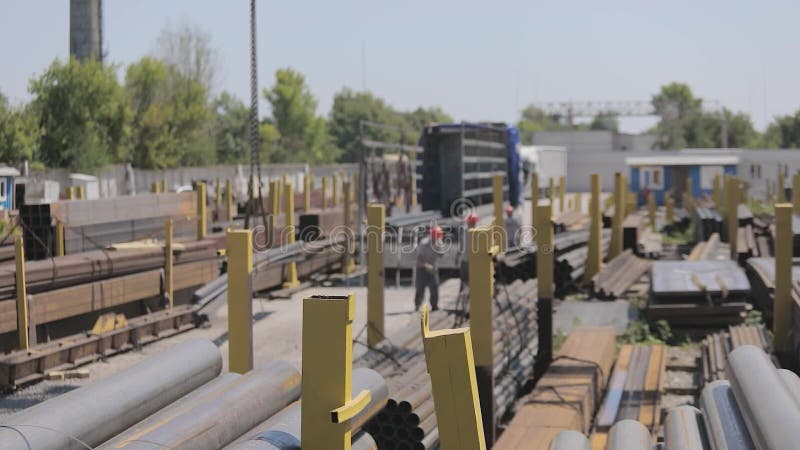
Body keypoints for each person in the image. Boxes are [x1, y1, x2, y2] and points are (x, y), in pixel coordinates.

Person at [414, 226, 444, 311]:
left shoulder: (439, 243)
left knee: (434, 286)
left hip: (432, 267)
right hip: (421, 267)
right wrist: (426, 265)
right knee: (420, 287)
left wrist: (441, 254)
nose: (436, 239)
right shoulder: (424, 243)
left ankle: (434, 305)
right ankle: (417, 305)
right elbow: (419, 258)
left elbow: (441, 255)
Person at [459, 213, 479, 285]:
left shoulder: (476, 232)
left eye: (473, 223)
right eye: (472, 222)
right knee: (465, 281)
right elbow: (462, 244)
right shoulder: (466, 231)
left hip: (471, 260)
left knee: (471, 281)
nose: (473, 224)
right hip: (466, 260)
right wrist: (459, 255)